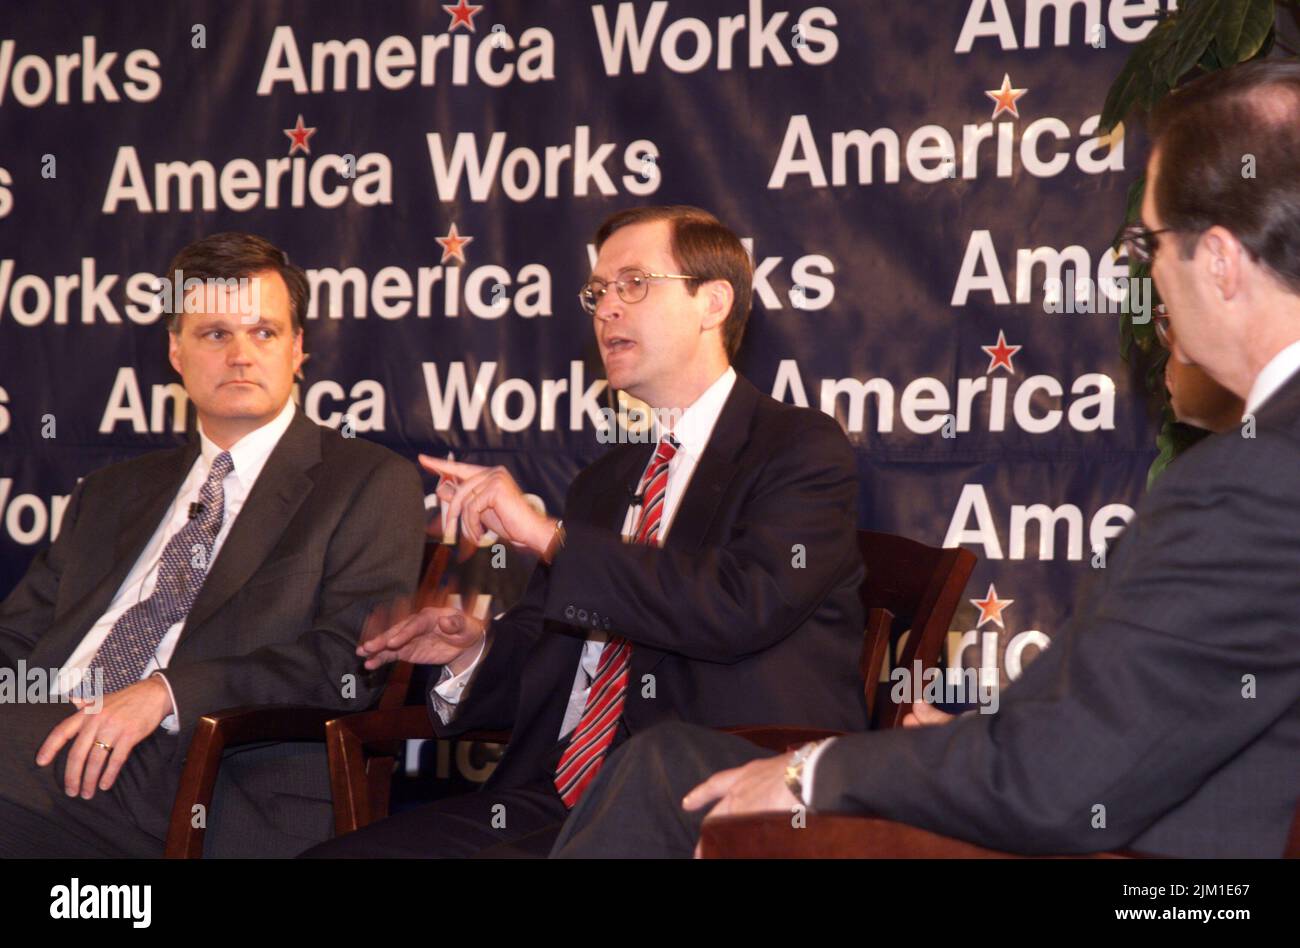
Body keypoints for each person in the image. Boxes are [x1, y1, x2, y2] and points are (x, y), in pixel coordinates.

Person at [550, 61, 1300, 860]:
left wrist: (814, 770)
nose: (1142, 274)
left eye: (1148, 242)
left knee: (679, 777)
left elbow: (1060, 781)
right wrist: (970, 750)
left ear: (1219, 260)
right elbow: (1124, 728)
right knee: (678, 770)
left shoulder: (1253, 482)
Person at [303, 205, 868, 857]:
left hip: (717, 802)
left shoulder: (797, 449)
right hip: (558, 802)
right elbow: (557, 659)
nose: (606, 309)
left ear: (712, 301)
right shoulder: (606, 482)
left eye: (633, 284)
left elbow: (739, 607)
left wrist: (549, 539)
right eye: (597, 292)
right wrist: (471, 650)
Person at [0, 233, 426, 857]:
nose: (241, 356)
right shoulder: (113, 492)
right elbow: (16, 639)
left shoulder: (366, 481)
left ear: (299, 348)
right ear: (176, 351)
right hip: (45, 746)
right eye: (215, 334)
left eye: (264, 332)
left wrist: (166, 693)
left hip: (211, 773)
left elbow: (344, 663)